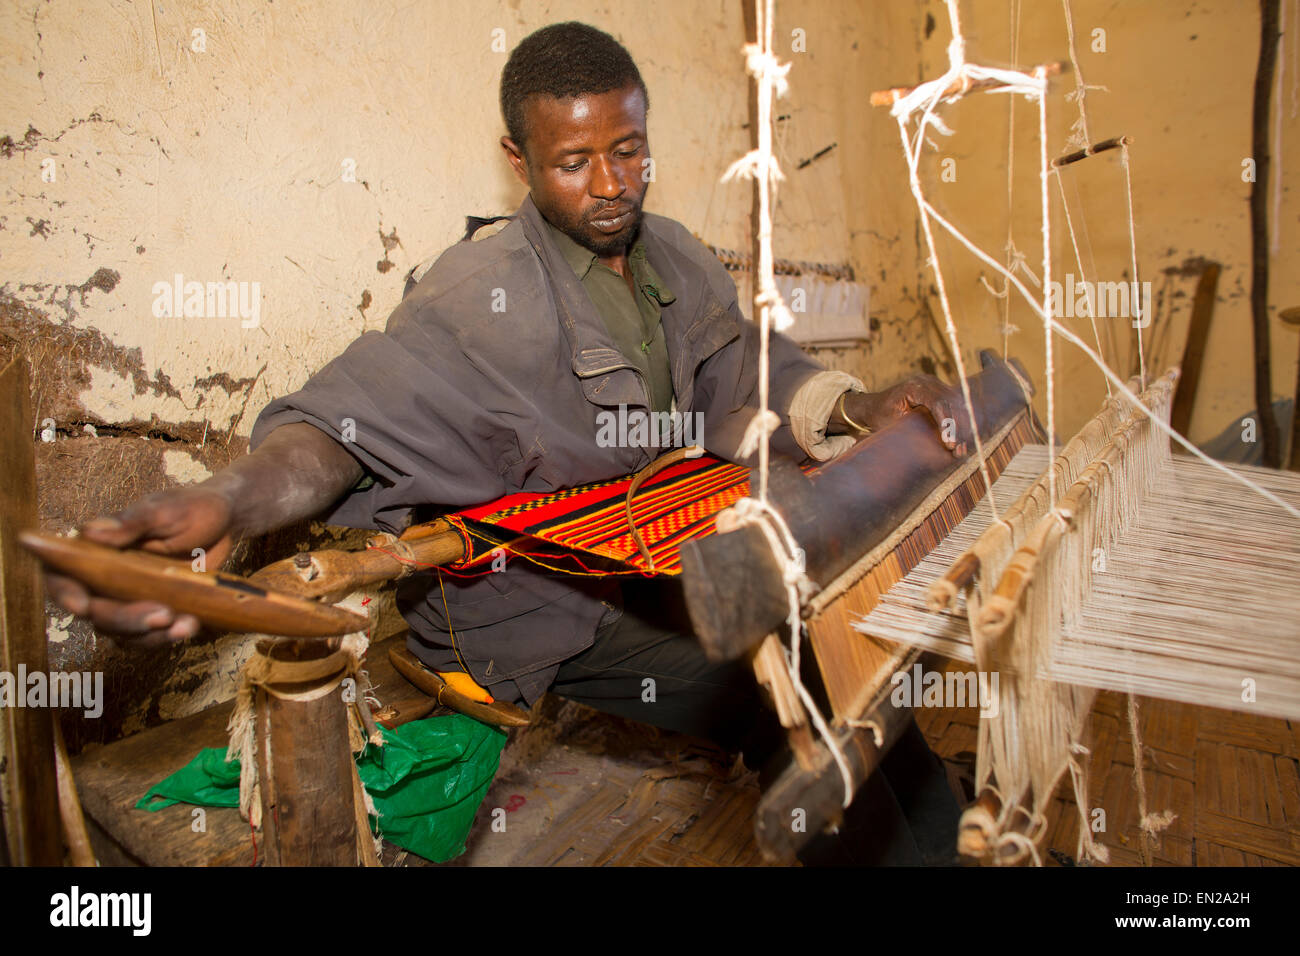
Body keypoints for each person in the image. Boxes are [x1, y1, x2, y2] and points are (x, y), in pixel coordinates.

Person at [47, 22, 965, 864]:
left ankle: (955, 849)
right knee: (790, 687)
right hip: (545, 608)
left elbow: (747, 371)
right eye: (573, 161)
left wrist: (850, 408)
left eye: (628, 150)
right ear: (517, 159)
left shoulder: (675, 255)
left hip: (650, 554)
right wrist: (226, 500)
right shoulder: (481, 295)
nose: (610, 185)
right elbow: (342, 428)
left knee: (856, 652)